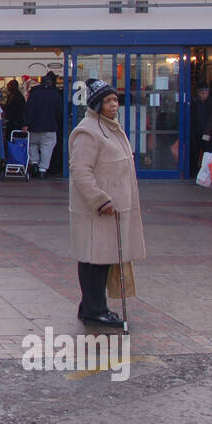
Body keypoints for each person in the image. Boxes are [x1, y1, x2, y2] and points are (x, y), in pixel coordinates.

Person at [69, 80, 144, 329]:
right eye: (108, 101)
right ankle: (94, 310)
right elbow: (80, 170)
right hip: (98, 211)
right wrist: (99, 199)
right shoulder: (88, 131)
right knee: (94, 260)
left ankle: (91, 306)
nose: (114, 105)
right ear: (96, 104)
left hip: (113, 210)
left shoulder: (111, 128)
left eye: (115, 100)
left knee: (104, 259)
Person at [24, 72, 62, 178]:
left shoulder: (34, 93)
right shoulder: (56, 94)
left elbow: (29, 109)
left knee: (32, 145)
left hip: (34, 126)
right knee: (47, 148)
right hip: (50, 126)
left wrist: (26, 123)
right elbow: (59, 112)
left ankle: (35, 163)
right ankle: (42, 169)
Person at [190, 83, 212, 177]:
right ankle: (193, 172)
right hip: (195, 132)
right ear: (198, 93)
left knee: (207, 154)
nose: (204, 95)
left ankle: (207, 173)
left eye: (206, 93)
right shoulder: (193, 103)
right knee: (194, 153)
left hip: (208, 132)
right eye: (202, 93)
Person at [2, 79, 26, 146]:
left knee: (12, 137)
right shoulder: (17, 96)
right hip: (15, 121)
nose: (8, 88)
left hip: (14, 122)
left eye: (9, 86)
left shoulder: (15, 96)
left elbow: (9, 107)